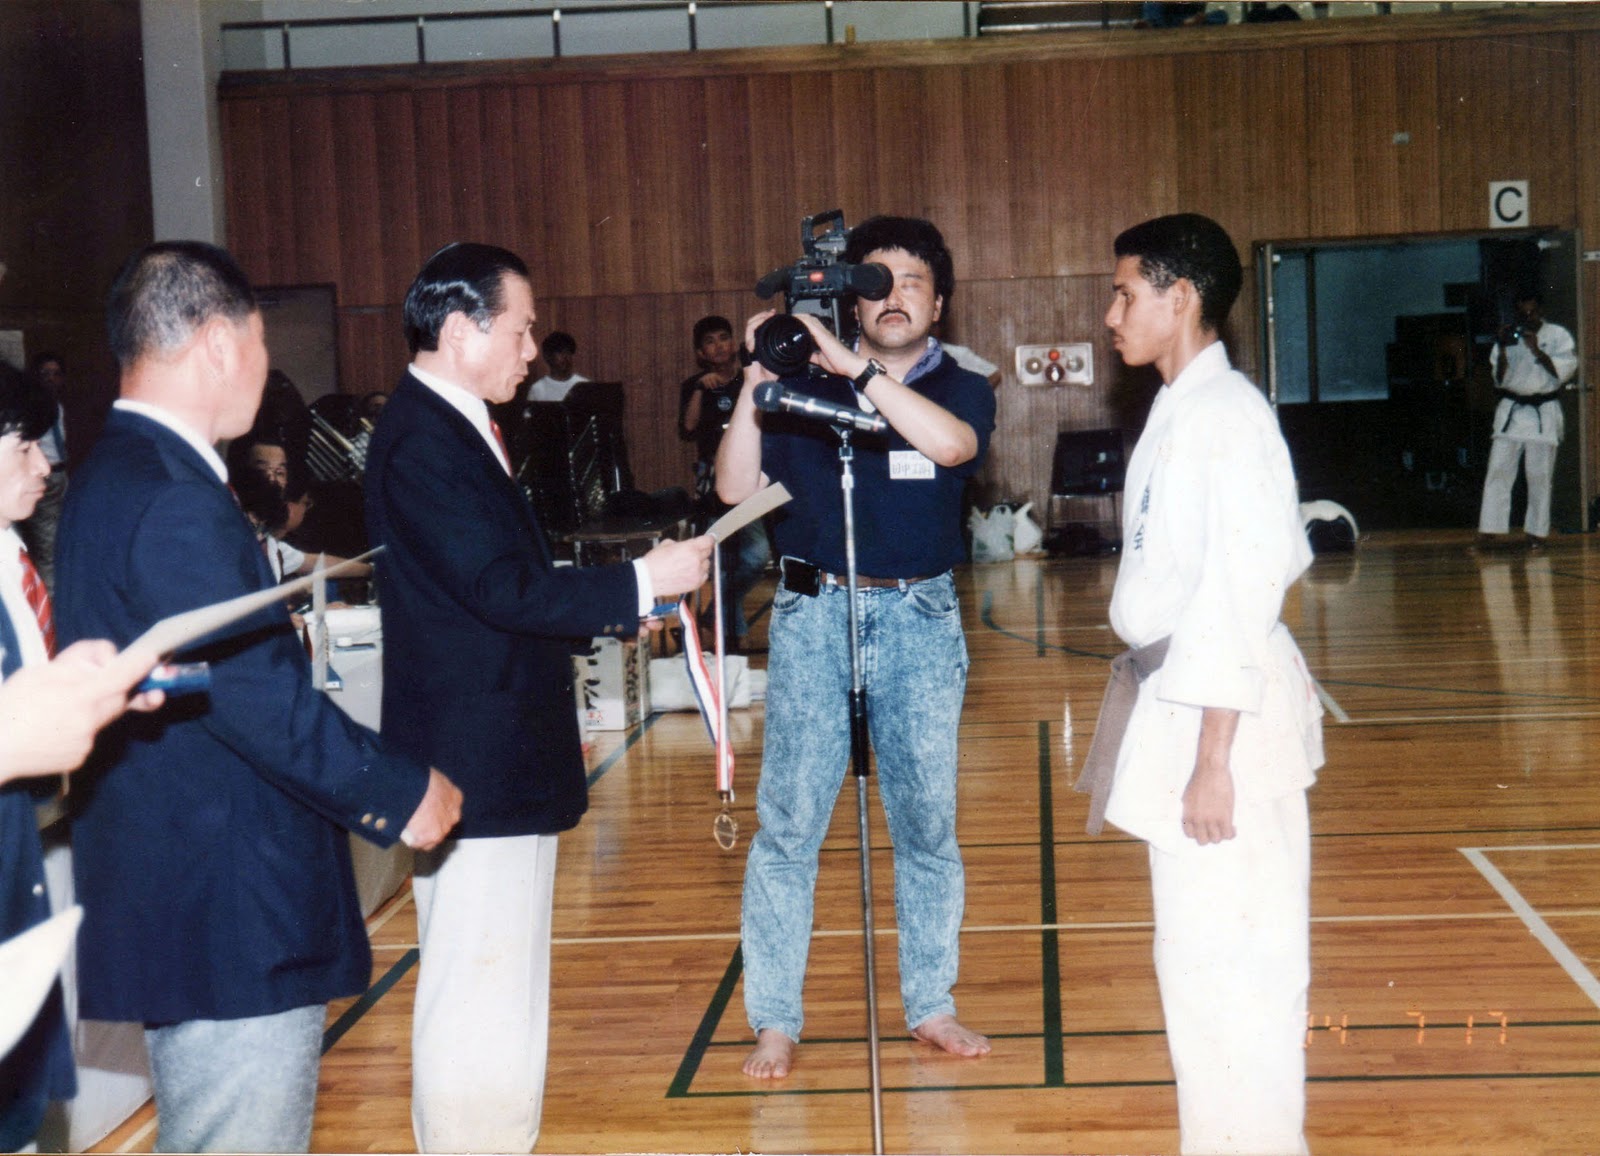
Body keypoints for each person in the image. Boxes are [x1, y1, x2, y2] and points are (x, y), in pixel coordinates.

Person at [54, 241, 462, 1154]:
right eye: (262, 342)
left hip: (190, 895)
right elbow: (253, 696)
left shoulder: (111, 475)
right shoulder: (169, 495)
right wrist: (400, 791)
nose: (266, 367)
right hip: (226, 911)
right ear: (218, 343)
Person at [364, 241, 711, 1153]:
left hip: (498, 752)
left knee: (501, 991)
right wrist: (639, 582)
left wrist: (609, 611)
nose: (531, 350)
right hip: (473, 758)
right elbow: (497, 590)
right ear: (458, 328)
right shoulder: (424, 437)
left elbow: (504, 584)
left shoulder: (454, 423)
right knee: (478, 997)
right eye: (517, 331)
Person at [716, 215, 996, 1079]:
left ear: (938, 302)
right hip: (812, 618)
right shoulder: (811, 380)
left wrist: (859, 373)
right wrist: (760, 375)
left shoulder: (961, 382)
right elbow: (734, 489)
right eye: (875, 282)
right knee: (790, 826)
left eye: (912, 282)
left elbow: (952, 447)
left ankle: (932, 1004)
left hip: (917, 619)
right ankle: (775, 1017)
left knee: (926, 825)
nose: (894, 297)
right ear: (850, 296)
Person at [1086, 213, 1323, 1155]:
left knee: (1245, 967)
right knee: (1195, 963)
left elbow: (1240, 590)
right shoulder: (1181, 407)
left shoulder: (1230, 417)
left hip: (1228, 719)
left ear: (1180, 299)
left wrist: (1213, 759)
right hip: (1179, 696)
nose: (1111, 314)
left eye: (1125, 292)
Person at [678, 314, 770, 649]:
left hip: (751, 480)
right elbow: (687, 429)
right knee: (721, 558)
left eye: (723, 338)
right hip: (711, 484)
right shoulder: (695, 385)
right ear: (701, 352)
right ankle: (731, 632)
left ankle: (715, 614)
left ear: (734, 343)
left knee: (757, 555)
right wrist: (701, 390)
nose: (719, 346)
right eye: (710, 342)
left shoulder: (751, 378)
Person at [1476, 291, 1578, 548]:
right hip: (1512, 409)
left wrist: (1537, 352)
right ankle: (1489, 530)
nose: (1527, 317)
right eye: (1523, 313)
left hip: (1543, 410)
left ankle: (1536, 533)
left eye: (1532, 312)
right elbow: (1499, 378)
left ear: (1541, 311)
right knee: (1498, 470)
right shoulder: (1510, 337)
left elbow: (1562, 374)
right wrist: (1501, 347)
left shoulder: (1558, 336)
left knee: (1539, 475)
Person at [21, 352, 70, 592]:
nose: (51, 379)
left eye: (56, 374)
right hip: (44, 477)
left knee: (60, 537)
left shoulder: (56, 406)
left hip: (60, 474)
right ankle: (50, 598)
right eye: (45, 374)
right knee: (48, 544)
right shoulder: (33, 408)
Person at [524, 329, 587, 404]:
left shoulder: (584, 385)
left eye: (568, 352)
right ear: (548, 356)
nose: (565, 357)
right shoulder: (538, 389)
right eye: (560, 352)